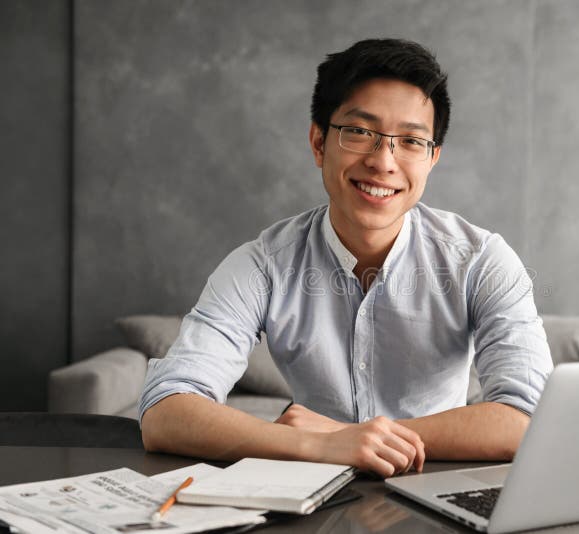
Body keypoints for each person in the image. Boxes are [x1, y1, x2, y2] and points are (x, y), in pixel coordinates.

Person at [139, 38, 552, 478]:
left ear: (432, 159)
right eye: (359, 132)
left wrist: (364, 439)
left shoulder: (481, 260)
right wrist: (316, 444)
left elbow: (529, 418)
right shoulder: (261, 265)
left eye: (411, 141)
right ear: (319, 143)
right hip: (305, 491)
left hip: (434, 489)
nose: (383, 161)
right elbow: (166, 410)